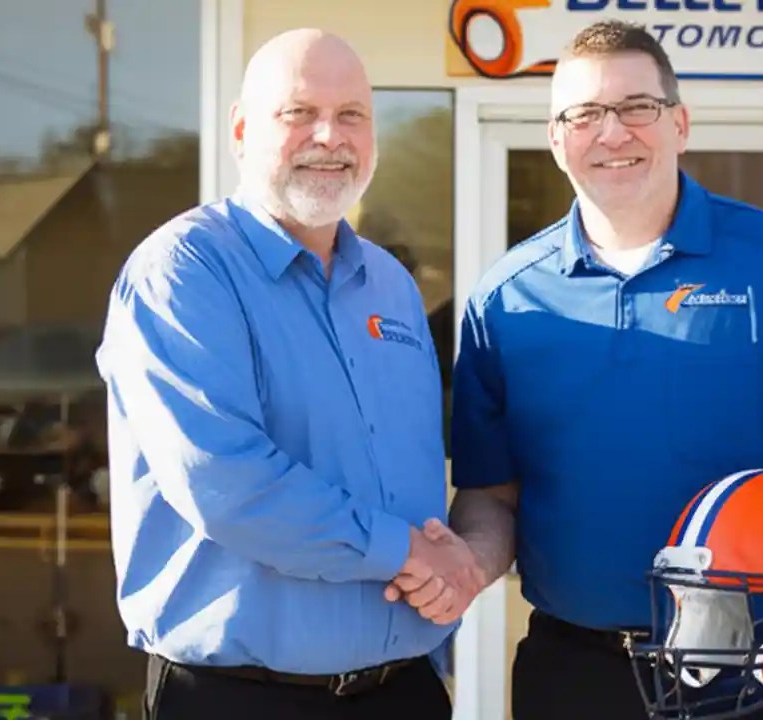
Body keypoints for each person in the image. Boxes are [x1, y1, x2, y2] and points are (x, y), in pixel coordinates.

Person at [397, 19, 763, 720]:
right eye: (585, 114)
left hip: (758, 669)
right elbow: (490, 497)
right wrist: (465, 567)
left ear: (680, 124)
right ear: (556, 138)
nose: (613, 132)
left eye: (637, 108)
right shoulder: (504, 300)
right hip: (573, 674)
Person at [95, 28, 483, 720]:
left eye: (352, 115)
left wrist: (455, 568)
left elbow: (410, 471)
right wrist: (407, 554)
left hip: (405, 691)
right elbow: (225, 482)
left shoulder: (390, 286)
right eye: (298, 112)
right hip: (240, 697)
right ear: (242, 130)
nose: (329, 136)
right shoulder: (184, 273)